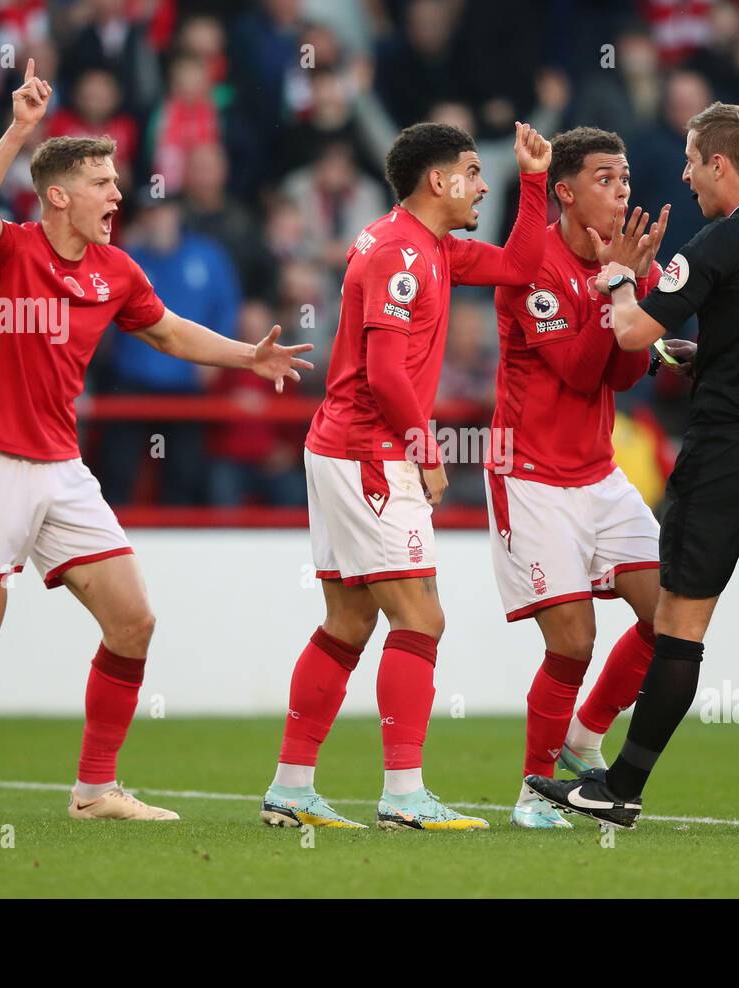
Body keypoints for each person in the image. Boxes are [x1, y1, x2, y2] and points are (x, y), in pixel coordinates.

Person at [0, 59, 312, 823]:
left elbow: (170, 333)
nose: (119, 194)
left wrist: (248, 356)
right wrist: (19, 129)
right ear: (58, 195)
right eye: (103, 183)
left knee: (133, 620)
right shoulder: (7, 249)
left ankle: (94, 790)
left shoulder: (116, 270)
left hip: (63, 470)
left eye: (116, 182)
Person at [527, 101, 739, 833]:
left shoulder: (717, 242)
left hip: (723, 458)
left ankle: (622, 787)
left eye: (690, 159)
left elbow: (633, 329)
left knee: (678, 627)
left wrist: (620, 278)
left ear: (720, 163)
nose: (683, 173)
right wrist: (713, 357)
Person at [261, 121, 551, 831]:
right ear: (437, 181)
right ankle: (403, 795)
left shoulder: (426, 245)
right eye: (474, 172)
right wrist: (425, 447)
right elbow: (386, 369)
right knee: (421, 617)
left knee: (349, 620)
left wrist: (536, 181)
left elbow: (519, 268)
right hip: (370, 451)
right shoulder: (403, 254)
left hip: (344, 446)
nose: (484, 185)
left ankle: (291, 790)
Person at [485, 126, 672, 828]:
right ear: (564, 191)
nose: (620, 190)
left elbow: (624, 372)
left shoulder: (625, 261)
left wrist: (630, 282)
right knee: (572, 641)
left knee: (670, 617)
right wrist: (619, 284)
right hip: (530, 471)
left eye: (624, 178)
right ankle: (534, 791)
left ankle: (584, 736)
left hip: (597, 470)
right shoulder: (534, 262)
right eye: (604, 178)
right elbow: (577, 369)